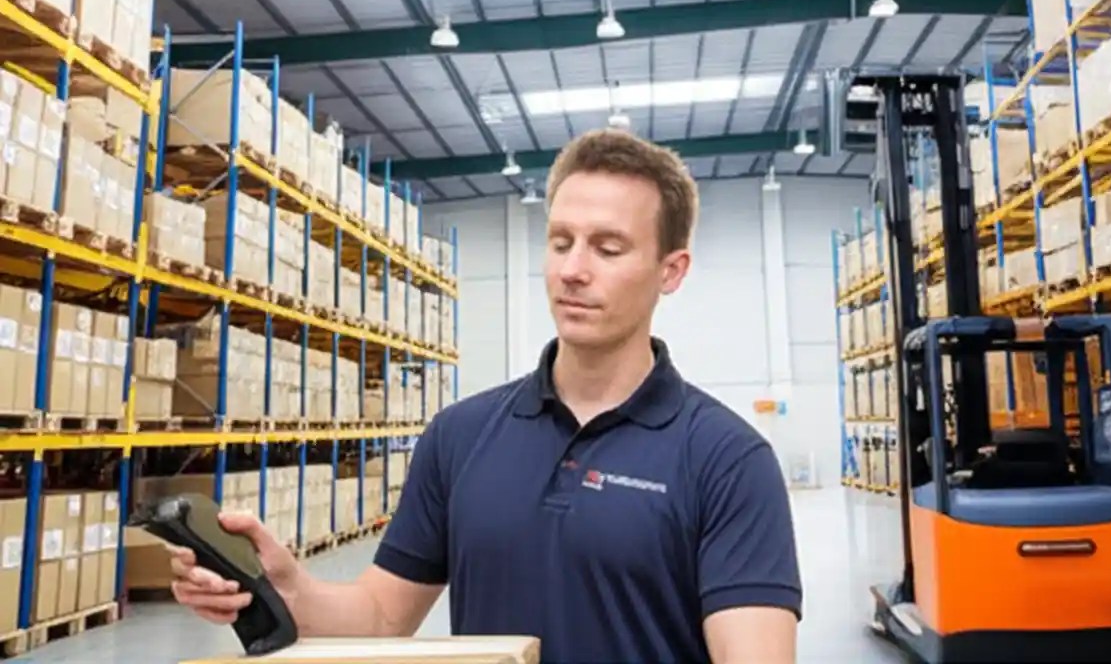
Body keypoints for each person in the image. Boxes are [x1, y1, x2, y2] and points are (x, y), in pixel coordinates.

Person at [167, 128, 803, 663]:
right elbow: (385, 615)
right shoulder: (462, 435)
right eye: (560, 243)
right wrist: (286, 589)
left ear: (672, 271)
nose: (573, 269)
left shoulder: (725, 458)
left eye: (608, 248)